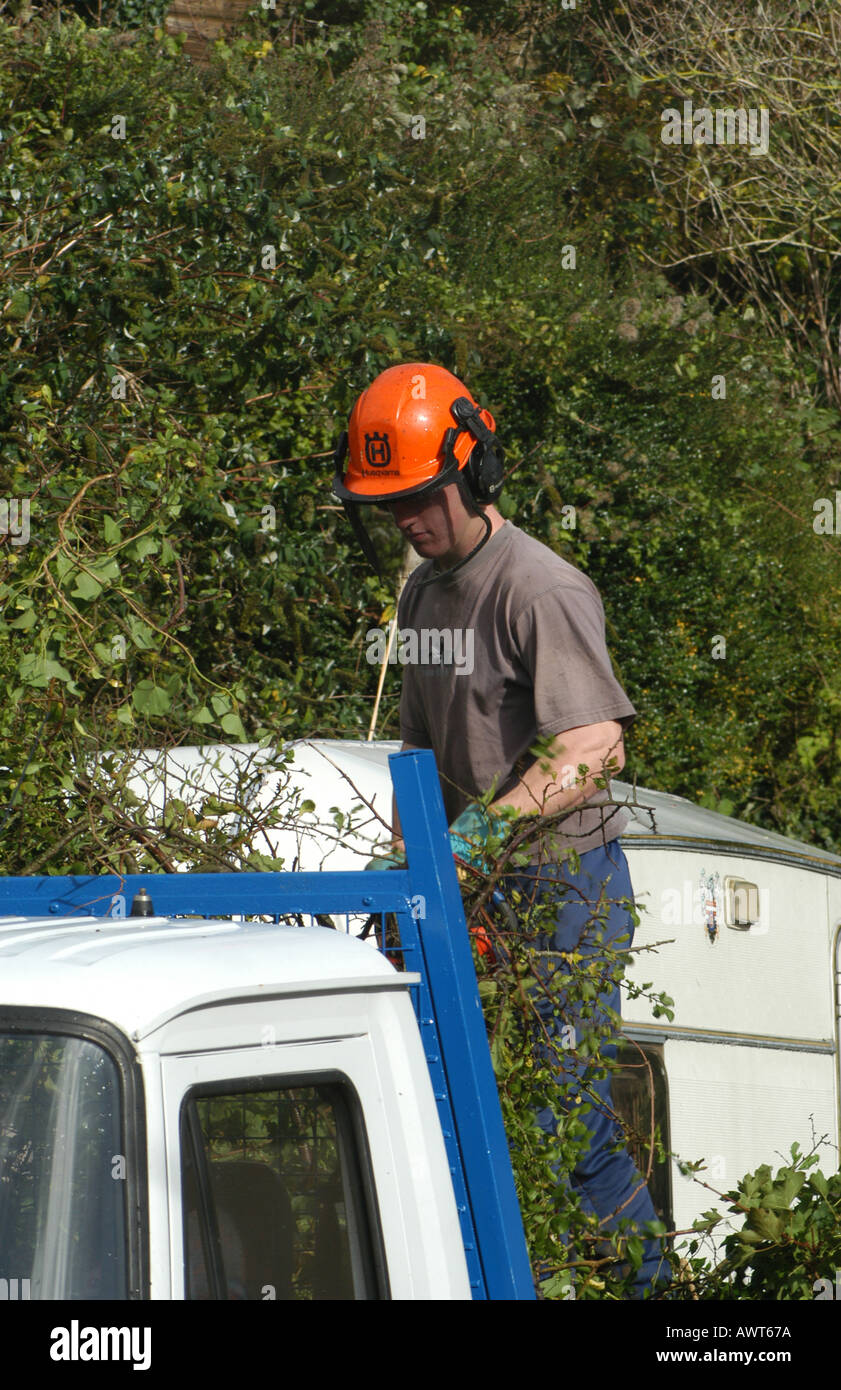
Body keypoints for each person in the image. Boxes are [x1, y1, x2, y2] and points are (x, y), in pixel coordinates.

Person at [332, 361, 667, 1296]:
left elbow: (595, 746)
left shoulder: (541, 588)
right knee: (461, 1110)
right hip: (469, 888)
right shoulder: (420, 594)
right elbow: (415, 743)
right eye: (389, 504)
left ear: (473, 471)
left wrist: (472, 840)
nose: (407, 520)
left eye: (421, 498)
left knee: (562, 1118)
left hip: (564, 888)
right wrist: (409, 866)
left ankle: (662, 1307)